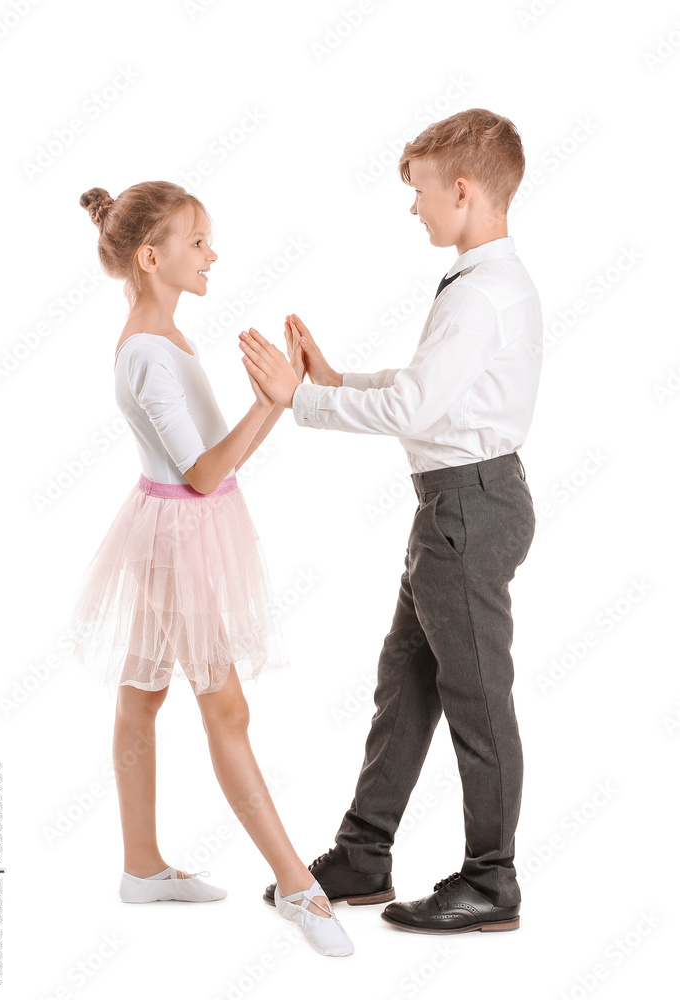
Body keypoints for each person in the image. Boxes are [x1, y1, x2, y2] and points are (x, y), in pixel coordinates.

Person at [240, 108, 543, 934]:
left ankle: (491, 880)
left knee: (476, 699)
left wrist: (299, 397)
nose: (412, 209)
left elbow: (412, 404)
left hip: (467, 513)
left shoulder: (483, 294)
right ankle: (364, 853)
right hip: (451, 508)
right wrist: (335, 377)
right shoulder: (478, 283)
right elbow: (427, 389)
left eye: (418, 193)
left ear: (461, 189)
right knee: (402, 686)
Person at [68, 180, 354, 957]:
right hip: (178, 535)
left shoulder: (160, 336)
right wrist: (271, 403)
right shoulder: (148, 353)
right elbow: (201, 472)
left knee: (143, 693)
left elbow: (205, 468)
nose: (213, 254)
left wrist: (273, 400)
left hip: (179, 528)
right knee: (224, 711)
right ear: (152, 256)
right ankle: (298, 886)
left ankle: (141, 867)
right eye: (198, 243)